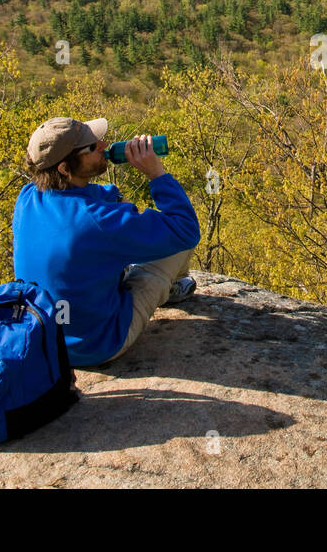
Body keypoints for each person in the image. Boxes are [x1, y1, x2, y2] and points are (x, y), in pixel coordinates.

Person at [12, 116, 201, 368]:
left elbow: (83, 200)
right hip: (94, 344)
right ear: (65, 168)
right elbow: (185, 228)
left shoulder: (27, 198)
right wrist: (157, 174)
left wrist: (112, 196)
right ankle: (171, 287)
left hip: (45, 340)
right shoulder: (100, 222)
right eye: (91, 147)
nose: (102, 145)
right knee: (175, 242)